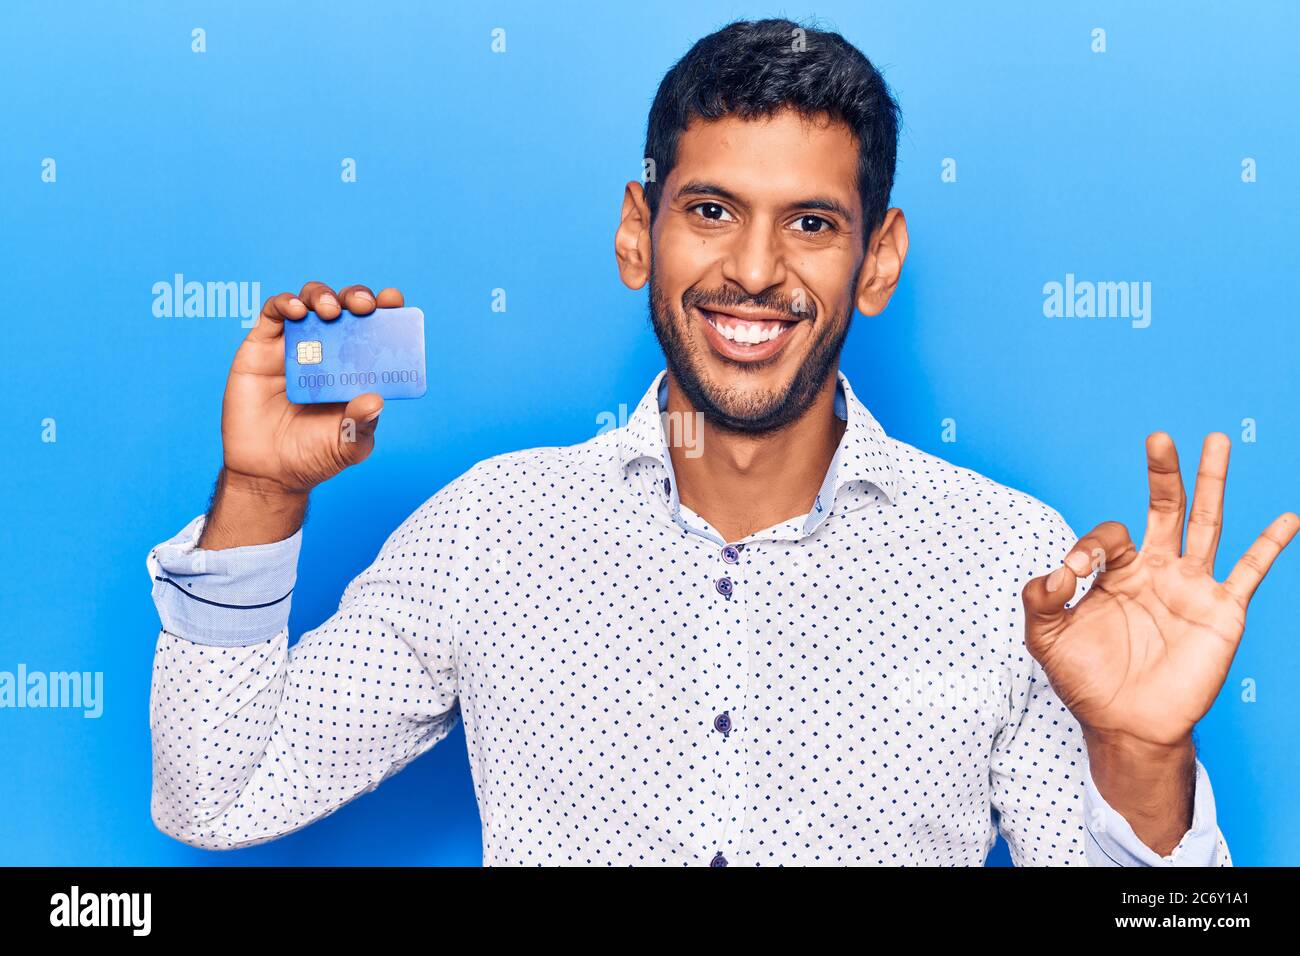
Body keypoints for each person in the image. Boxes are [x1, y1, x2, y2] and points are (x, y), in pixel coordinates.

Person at [147, 18, 1296, 866]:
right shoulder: (491, 530)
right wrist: (257, 492)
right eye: (710, 210)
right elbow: (219, 794)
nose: (753, 270)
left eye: (810, 222)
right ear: (637, 231)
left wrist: (1142, 761)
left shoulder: (1011, 561)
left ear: (878, 258)